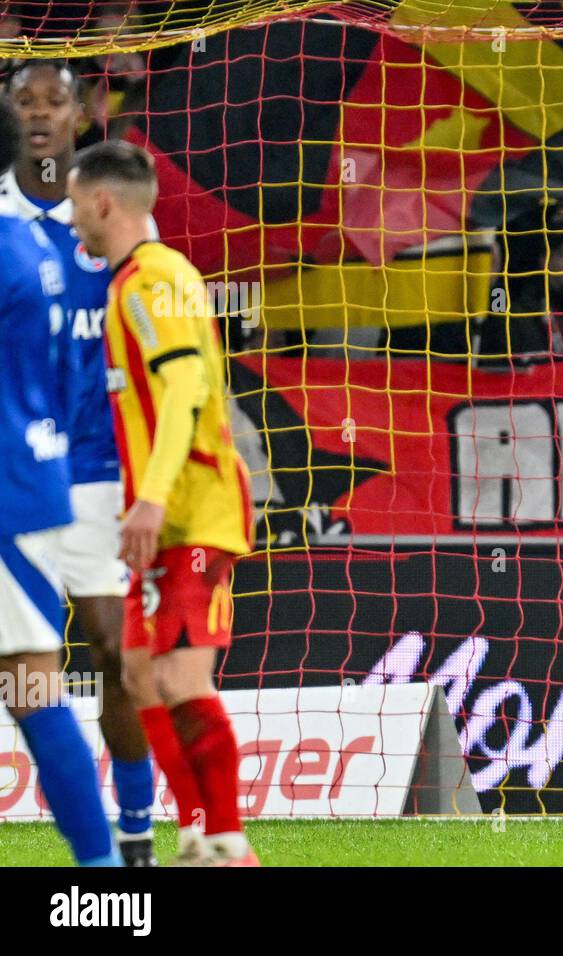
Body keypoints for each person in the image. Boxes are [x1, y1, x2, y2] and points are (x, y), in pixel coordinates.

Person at [68, 139, 257, 866]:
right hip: (164, 512)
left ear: (103, 202)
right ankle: (198, 833)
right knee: (141, 675)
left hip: (192, 509)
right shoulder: (134, 282)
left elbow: (182, 390)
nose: (75, 217)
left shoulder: (156, 279)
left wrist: (147, 501)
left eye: (80, 203)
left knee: (182, 676)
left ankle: (229, 842)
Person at [1, 60, 161, 866]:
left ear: (80, 113)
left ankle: (132, 835)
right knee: (29, 674)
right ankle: (100, 862)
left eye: (53, 101)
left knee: (117, 655)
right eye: (24, 100)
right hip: (19, 468)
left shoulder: (113, 212)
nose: (39, 115)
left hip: (98, 466)